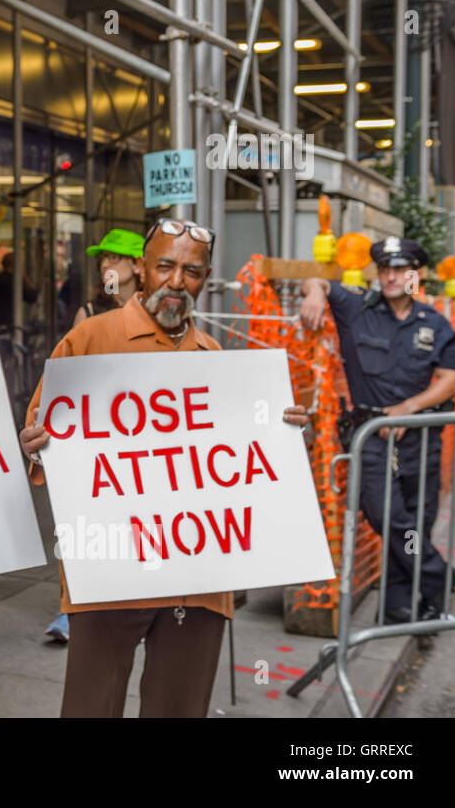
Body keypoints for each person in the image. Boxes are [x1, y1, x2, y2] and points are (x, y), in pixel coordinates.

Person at [19, 219, 310, 717]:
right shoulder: (90, 339)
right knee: (92, 705)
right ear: (141, 268)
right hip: (109, 568)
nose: (177, 282)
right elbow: (41, 441)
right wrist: (37, 445)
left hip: (194, 577)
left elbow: (242, 462)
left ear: (206, 276)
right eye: (166, 267)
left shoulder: (218, 359)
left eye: (192, 271)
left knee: (179, 706)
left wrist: (279, 433)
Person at [300, 237, 455, 623]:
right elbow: (315, 281)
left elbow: (452, 379)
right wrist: (313, 297)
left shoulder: (434, 323)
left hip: (421, 439)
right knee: (385, 515)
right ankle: (438, 576)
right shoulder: (358, 307)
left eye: (400, 269)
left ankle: (398, 606)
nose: (390, 277)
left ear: (415, 275)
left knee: (415, 522)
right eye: (384, 269)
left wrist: (407, 409)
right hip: (372, 435)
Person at [44, 227, 145, 643]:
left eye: (116, 259)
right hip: (94, 433)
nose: (107, 265)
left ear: (138, 267)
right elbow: (69, 375)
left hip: (140, 435)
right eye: (103, 258)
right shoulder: (88, 311)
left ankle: (131, 601)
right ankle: (72, 609)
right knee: (79, 524)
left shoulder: (158, 312)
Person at [72, 228, 144, 328]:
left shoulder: (153, 311)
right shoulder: (89, 314)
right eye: (102, 258)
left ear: (137, 265)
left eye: (113, 257)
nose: (104, 265)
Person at [0, 250, 37, 332]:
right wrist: (24, 277)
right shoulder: (16, 283)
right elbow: (32, 297)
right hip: (13, 326)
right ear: (17, 265)